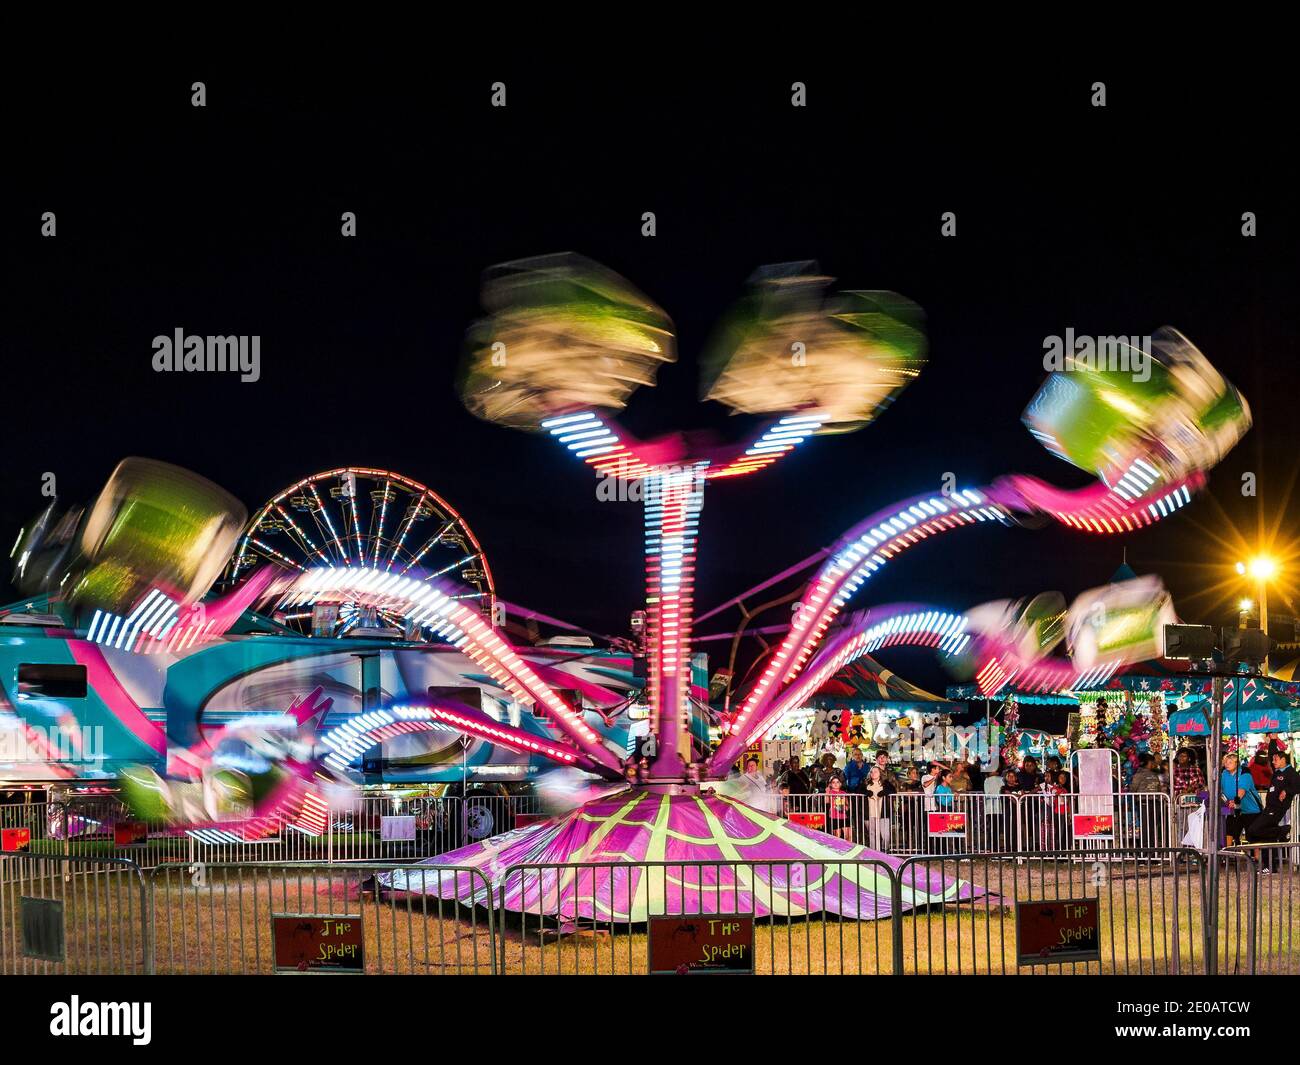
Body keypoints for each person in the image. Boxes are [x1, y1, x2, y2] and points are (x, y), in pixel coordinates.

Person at [863, 764, 895, 851]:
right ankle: (874, 852)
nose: (873, 773)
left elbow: (893, 790)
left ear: (880, 773)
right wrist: (867, 792)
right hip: (869, 812)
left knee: (886, 835)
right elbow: (857, 790)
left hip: (883, 812)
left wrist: (884, 792)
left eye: (876, 771)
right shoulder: (865, 783)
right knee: (872, 834)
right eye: (871, 772)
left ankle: (885, 850)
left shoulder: (885, 783)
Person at [824, 774, 853, 841]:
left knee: (848, 835)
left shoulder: (843, 793)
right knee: (837, 836)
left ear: (840, 784)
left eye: (837, 782)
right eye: (833, 782)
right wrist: (827, 792)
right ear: (830, 784)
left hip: (844, 816)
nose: (835, 784)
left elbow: (847, 805)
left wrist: (846, 807)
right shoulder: (830, 792)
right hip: (834, 816)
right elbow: (826, 802)